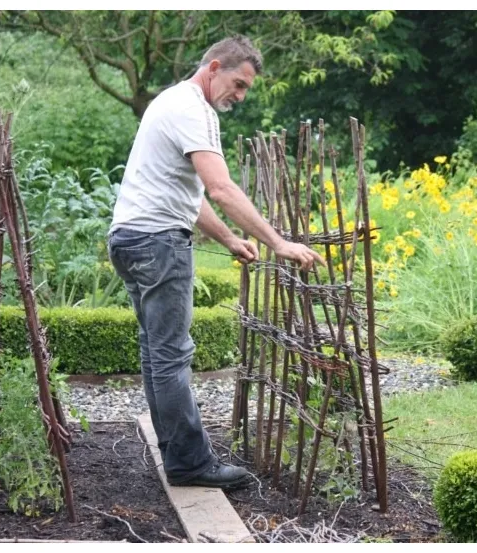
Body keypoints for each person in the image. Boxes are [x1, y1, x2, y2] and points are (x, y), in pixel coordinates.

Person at [107, 35, 325, 489]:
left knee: (155, 355)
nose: (239, 96)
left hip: (130, 238)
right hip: (158, 245)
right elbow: (221, 188)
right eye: (238, 84)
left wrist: (229, 238)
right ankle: (190, 463)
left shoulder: (169, 102)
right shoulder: (194, 109)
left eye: (246, 90)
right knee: (171, 356)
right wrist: (278, 242)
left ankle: (176, 454)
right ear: (215, 66)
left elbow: (188, 193)